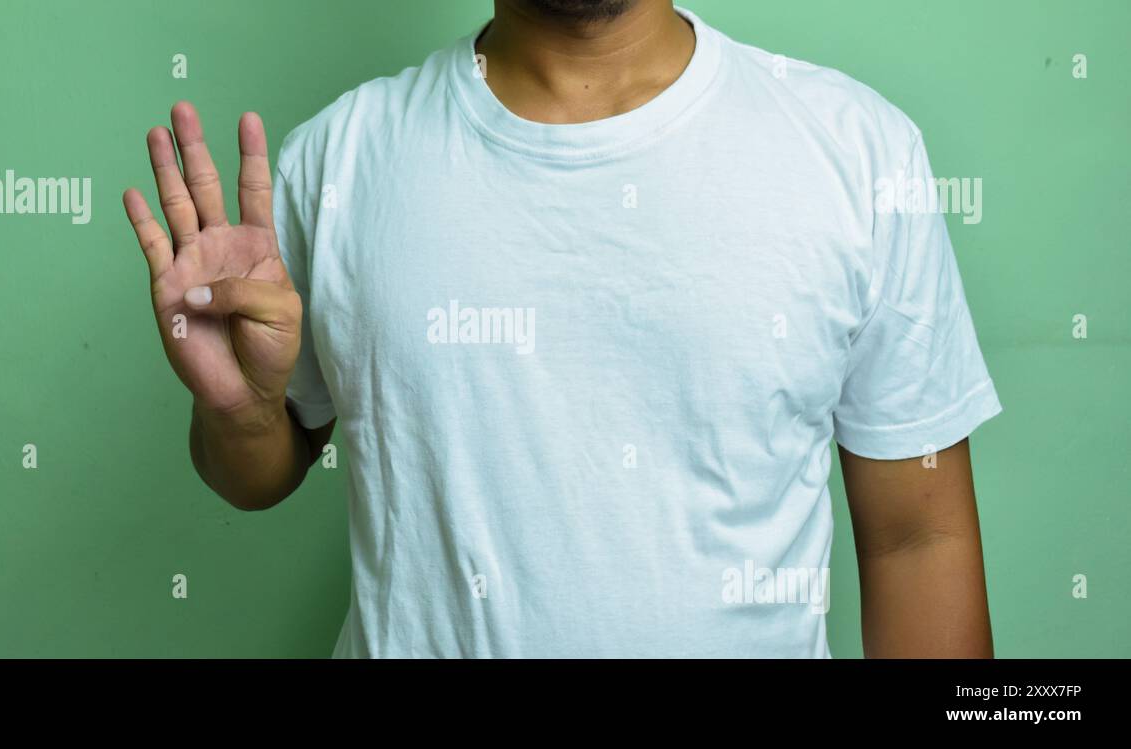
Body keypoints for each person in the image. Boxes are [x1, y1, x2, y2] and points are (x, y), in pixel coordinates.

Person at [122, 0, 1002, 657]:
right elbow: (258, 472)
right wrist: (239, 413)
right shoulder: (340, 161)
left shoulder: (858, 154)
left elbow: (917, 536)